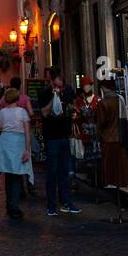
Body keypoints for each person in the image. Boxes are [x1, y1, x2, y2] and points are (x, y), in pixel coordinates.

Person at [38, 70, 81, 216]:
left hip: (64, 135)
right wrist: (54, 97)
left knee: (65, 172)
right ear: (51, 83)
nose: (60, 89)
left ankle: (66, 202)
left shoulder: (68, 90)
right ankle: (51, 205)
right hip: (52, 137)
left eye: (61, 87)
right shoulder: (45, 93)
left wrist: (73, 110)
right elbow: (44, 113)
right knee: (52, 172)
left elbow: (74, 106)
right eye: (57, 86)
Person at [0, 87, 33, 219]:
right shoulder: (22, 113)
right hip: (18, 144)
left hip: (5, 143)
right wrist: (27, 149)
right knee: (16, 176)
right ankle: (13, 206)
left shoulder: (1, 113)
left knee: (9, 175)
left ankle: (9, 204)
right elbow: (27, 133)